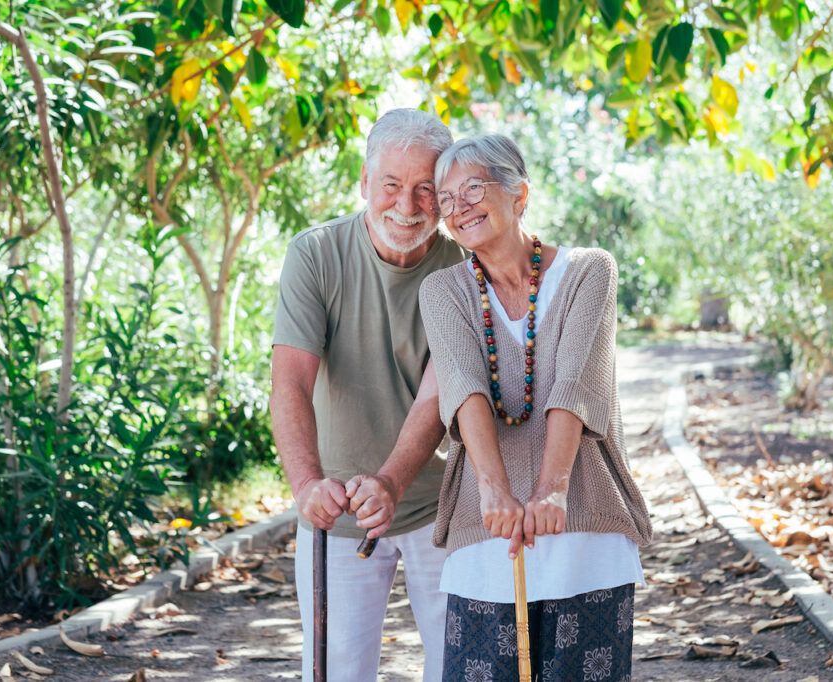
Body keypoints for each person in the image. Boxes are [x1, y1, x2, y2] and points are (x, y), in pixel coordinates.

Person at [418, 134, 653, 681]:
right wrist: (494, 490)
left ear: (518, 195)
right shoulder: (443, 291)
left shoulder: (590, 270)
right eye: (447, 200)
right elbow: (465, 386)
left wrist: (552, 488)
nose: (460, 207)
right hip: (487, 532)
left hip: (584, 518)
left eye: (473, 188)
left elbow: (574, 382)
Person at [270, 108, 466, 682]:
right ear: (364, 183)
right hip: (338, 509)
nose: (407, 207)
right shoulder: (316, 255)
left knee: (459, 668)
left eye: (426, 190)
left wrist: (391, 482)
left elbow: (437, 395)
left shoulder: (463, 267)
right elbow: (290, 383)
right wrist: (306, 486)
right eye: (391, 186)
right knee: (336, 672)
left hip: (441, 508)